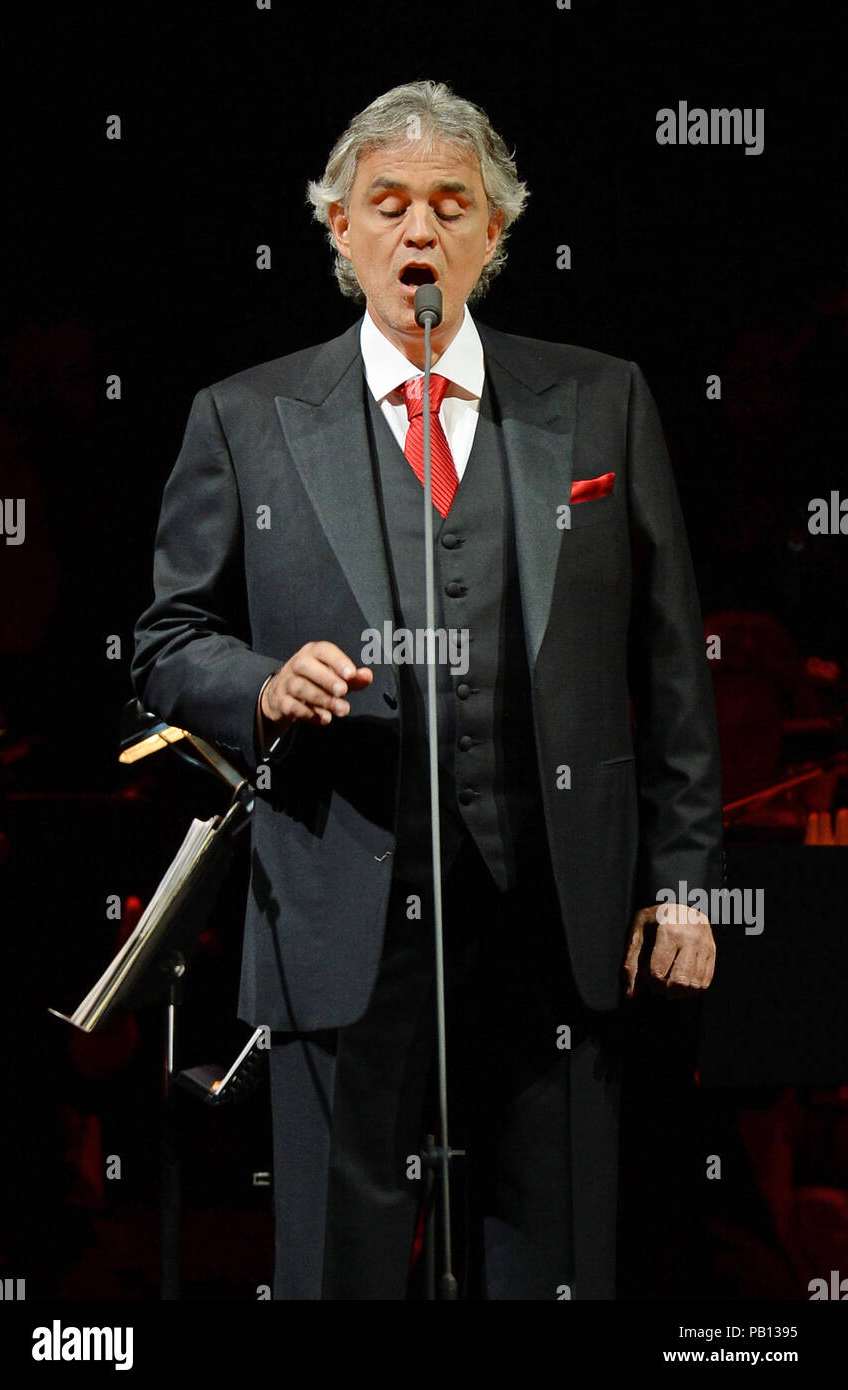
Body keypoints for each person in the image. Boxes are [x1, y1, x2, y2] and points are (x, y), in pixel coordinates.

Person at [131, 80, 724, 1300]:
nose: (418, 232)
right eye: (386, 204)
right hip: (338, 903)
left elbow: (668, 664)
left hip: (553, 908)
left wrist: (681, 881)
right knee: (335, 1265)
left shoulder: (598, 398)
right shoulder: (244, 418)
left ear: (493, 236)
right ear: (337, 229)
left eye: (450, 205)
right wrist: (257, 681)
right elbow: (165, 642)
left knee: (553, 1255)